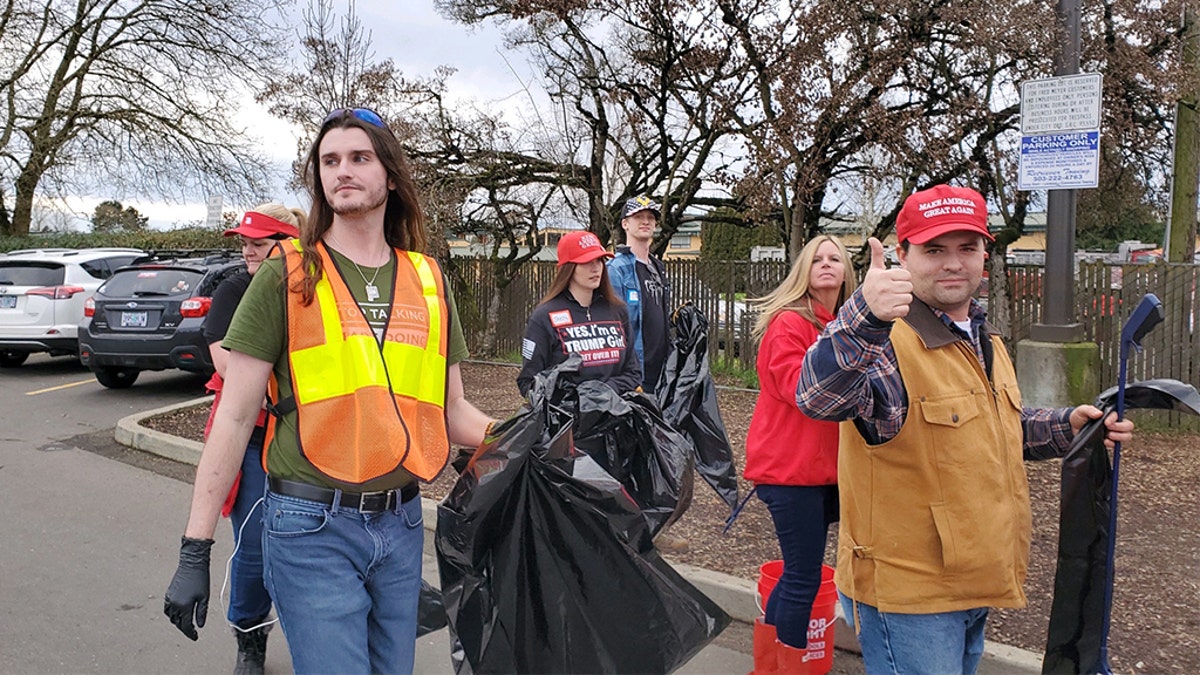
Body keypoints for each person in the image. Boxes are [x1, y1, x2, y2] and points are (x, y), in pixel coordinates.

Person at [164, 107, 495, 674]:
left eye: (359, 158)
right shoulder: (287, 275)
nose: (342, 170)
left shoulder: (428, 279)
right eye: (329, 160)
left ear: (390, 175)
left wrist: (538, 437)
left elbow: (454, 411)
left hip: (402, 522)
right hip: (307, 523)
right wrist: (195, 547)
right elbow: (236, 417)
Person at [796, 184, 1135, 674]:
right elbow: (817, 396)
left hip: (975, 581)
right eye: (934, 249)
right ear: (902, 255)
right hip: (911, 597)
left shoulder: (983, 338)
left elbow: (998, 432)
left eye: (967, 248)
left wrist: (1070, 427)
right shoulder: (886, 341)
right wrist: (862, 316)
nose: (953, 263)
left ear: (984, 255)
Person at [201, 204, 303, 675]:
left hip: (311, 440)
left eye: (258, 243)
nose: (246, 250)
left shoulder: (314, 289)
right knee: (254, 544)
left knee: (316, 542)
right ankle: (249, 636)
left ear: (288, 244)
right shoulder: (234, 289)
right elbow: (228, 366)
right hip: (256, 440)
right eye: (243, 242)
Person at [743, 235, 856, 659]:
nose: (826, 265)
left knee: (801, 575)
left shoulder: (841, 322)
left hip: (827, 471)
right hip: (791, 471)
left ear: (846, 271)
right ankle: (783, 667)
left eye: (835, 259)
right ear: (802, 272)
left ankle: (772, 664)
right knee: (803, 578)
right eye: (816, 260)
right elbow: (799, 389)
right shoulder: (790, 323)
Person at [516, 230, 642, 397]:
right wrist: (575, 401)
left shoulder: (617, 311)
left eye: (599, 260)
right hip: (567, 420)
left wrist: (603, 392)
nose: (596, 267)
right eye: (587, 261)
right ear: (568, 268)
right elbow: (528, 382)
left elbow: (633, 373)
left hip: (616, 417)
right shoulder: (544, 317)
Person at [607, 195, 671, 394]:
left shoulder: (657, 268)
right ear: (625, 224)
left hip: (661, 374)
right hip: (635, 376)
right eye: (638, 217)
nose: (646, 221)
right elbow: (613, 326)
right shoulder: (616, 269)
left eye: (650, 217)